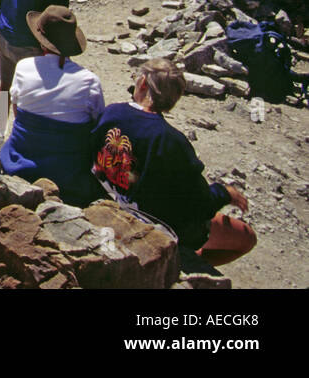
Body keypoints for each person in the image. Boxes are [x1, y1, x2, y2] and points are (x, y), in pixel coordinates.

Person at [92, 58, 256, 266]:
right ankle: (182, 264)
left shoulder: (112, 112)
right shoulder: (170, 140)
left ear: (142, 83)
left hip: (109, 198)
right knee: (247, 238)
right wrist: (224, 193)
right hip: (155, 220)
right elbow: (200, 202)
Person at [0, 6, 104, 206]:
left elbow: (16, 110)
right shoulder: (89, 81)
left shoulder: (23, 67)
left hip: (20, 160)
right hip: (67, 173)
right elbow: (97, 124)